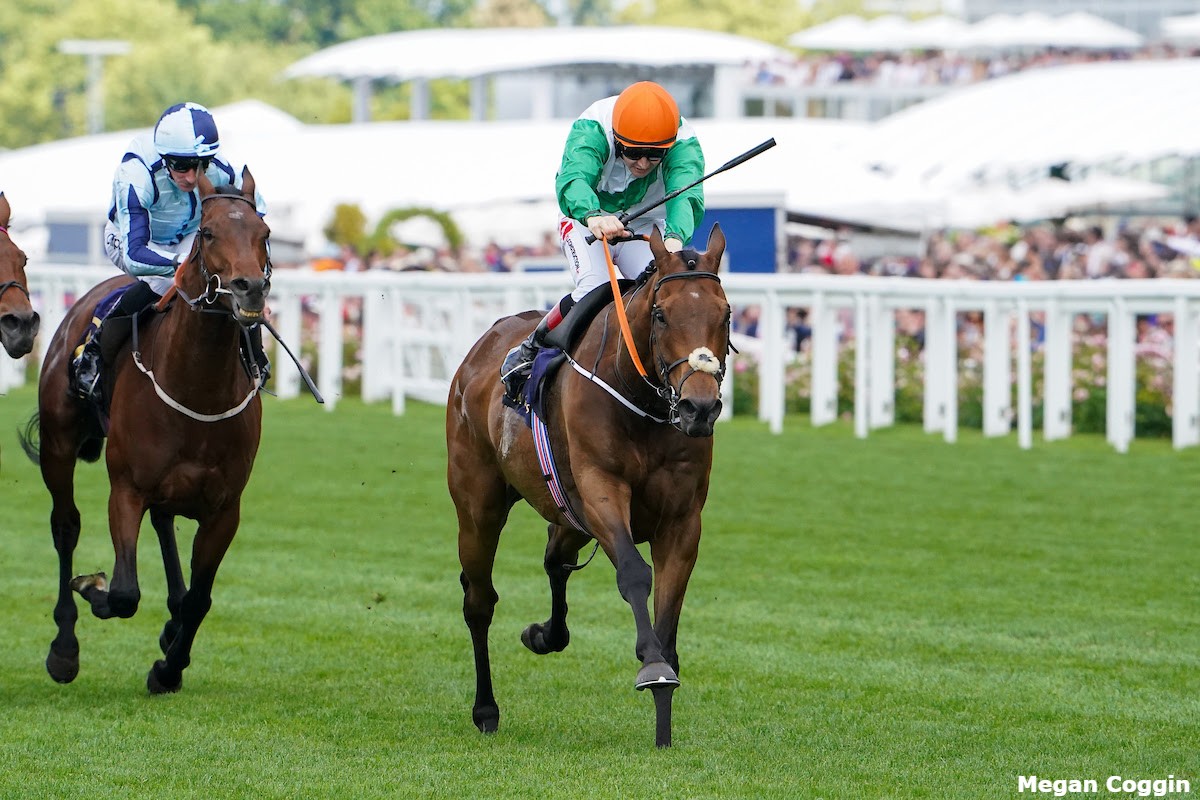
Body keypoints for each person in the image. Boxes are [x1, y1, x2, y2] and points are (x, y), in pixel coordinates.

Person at [500, 81, 705, 394]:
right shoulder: (592, 127)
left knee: (667, 290)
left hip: (647, 223)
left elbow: (686, 195)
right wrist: (594, 216)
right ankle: (532, 346)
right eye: (634, 152)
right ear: (617, 138)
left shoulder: (683, 143)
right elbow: (574, 179)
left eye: (655, 156)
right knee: (595, 285)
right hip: (586, 217)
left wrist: (674, 241)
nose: (643, 164)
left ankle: (666, 378)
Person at [73, 101, 269, 400]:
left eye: (200, 165)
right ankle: (94, 353)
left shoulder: (222, 169)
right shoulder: (136, 173)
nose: (191, 177)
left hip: (191, 235)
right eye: (180, 166)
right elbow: (135, 255)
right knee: (164, 281)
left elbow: (255, 226)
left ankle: (254, 355)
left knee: (228, 286)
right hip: (132, 240)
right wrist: (184, 265)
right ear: (165, 158)